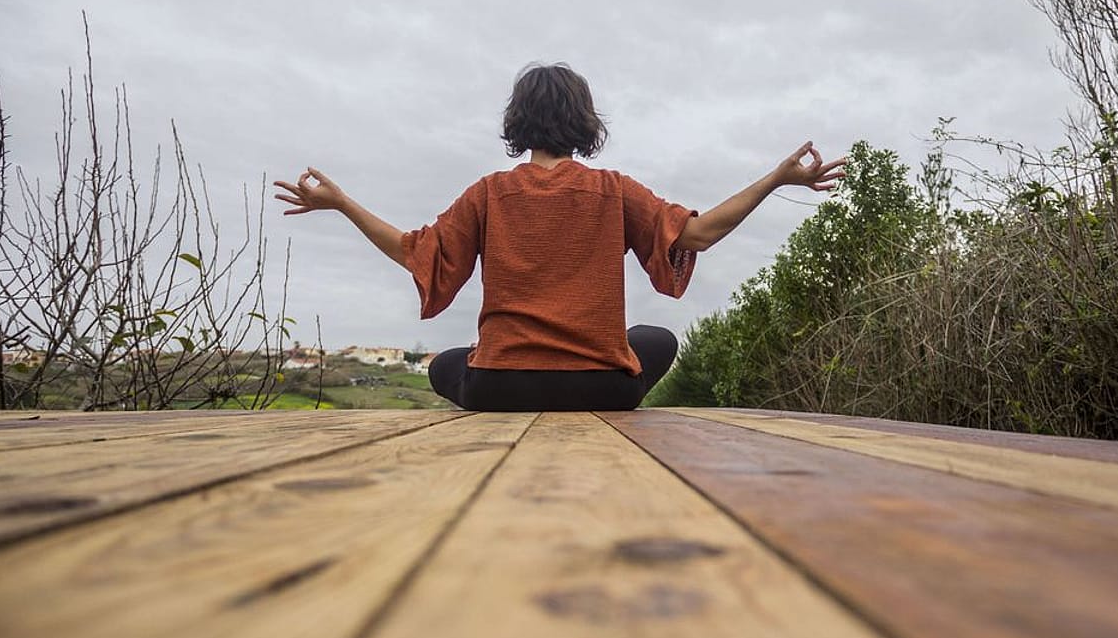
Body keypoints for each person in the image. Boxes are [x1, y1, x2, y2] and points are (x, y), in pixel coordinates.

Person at [273, 63, 845, 411]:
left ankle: (493, 365)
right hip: (601, 389)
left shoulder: (490, 192)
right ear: (585, 122)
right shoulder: (613, 190)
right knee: (657, 339)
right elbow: (697, 235)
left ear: (518, 121)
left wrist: (342, 203)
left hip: (502, 389)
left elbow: (413, 251)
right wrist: (776, 178)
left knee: (443, 364)